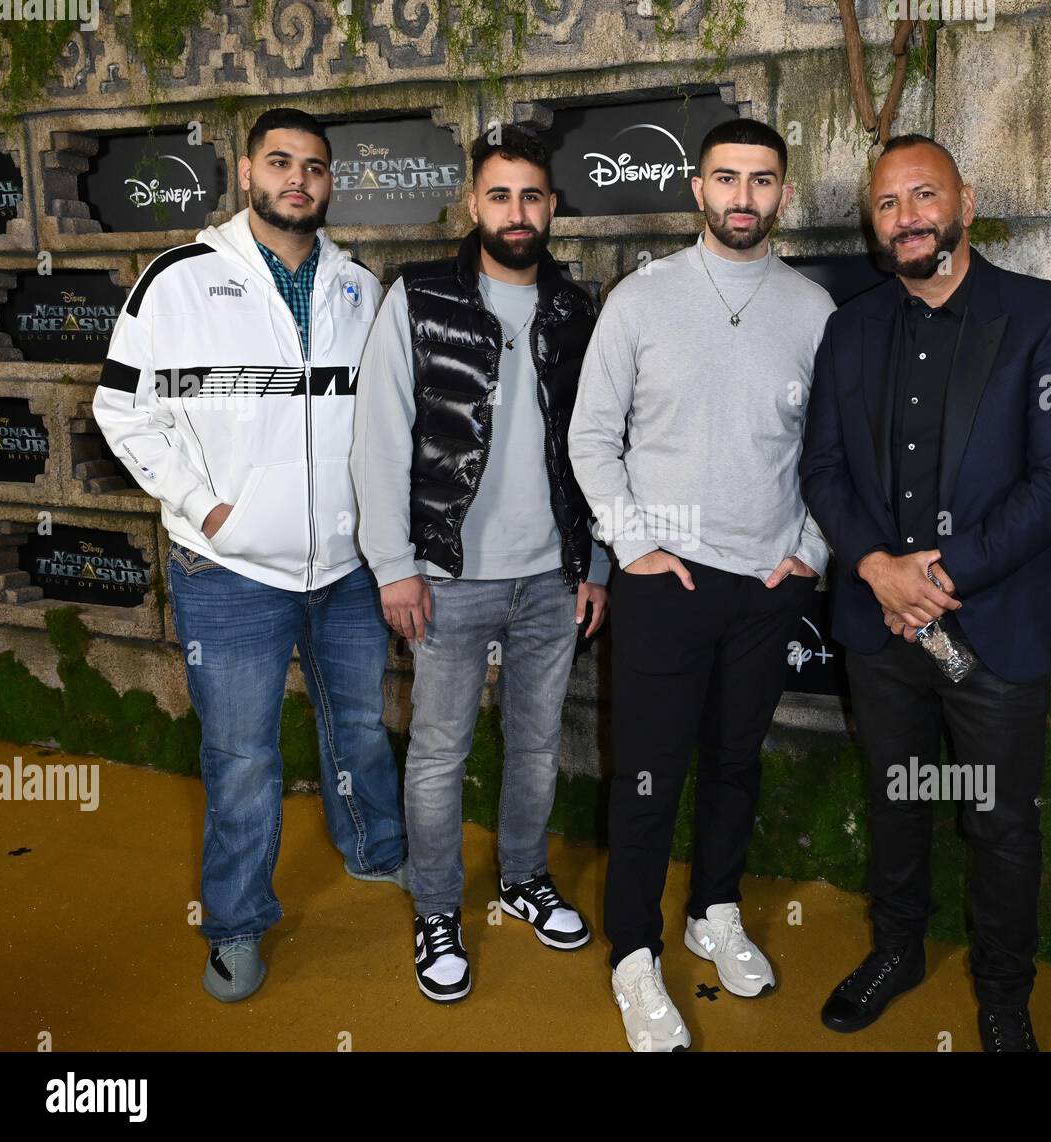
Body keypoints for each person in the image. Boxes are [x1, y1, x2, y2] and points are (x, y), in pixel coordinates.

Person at [93, 109, 408, 1002]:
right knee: (240, 759)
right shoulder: (178, 280)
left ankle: (377, 848)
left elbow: (382, 426)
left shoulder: (358, 287)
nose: (297, 179)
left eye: (313, 167)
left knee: (357, 725)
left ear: (330, 183)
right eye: (281, 163)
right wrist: (207, 507)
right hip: (228, 571)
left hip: (343, 570)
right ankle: (234, 925)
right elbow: (124, 410)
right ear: (246, 171)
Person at [800, 134, 1051, 1051]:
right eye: (888, 206)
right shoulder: (848, 326)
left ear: (965, 203)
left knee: (1002, 822)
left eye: (923, 197)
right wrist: (875, 567)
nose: (907, 219)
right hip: (878, 624)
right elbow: (821, 470)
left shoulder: (1050, 317)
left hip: (998, 625)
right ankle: (895, 952)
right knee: (895, 796)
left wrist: (937, 577)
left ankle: (1005, 996)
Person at [569, 118, 835, 1051]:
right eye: (727, 179)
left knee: (733, 764)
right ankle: (634, 955)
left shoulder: (813, 311)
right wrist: (634, 544)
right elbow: (592, 438)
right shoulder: (642, 300)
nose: (743, 198)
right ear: (698, 189)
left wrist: (810, 552)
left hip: (767, 587)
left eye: (762, 181)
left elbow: (830, 454)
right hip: (663, 586)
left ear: (784, 195)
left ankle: (713, 912)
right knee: (647, 778)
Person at [351, 125, 609, 1004]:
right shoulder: (417, 299)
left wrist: (597, 563)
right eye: (500, 195)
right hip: (447, 579)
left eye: (532, 195)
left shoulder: (577, 309)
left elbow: (605, 444)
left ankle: (523, 878)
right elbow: (379, 438)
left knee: (537, 745)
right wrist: (394, 563)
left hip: (552, 577)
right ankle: (435, 911)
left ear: (552, 206)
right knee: (437, 755)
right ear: (474, 204)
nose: (517, 211)